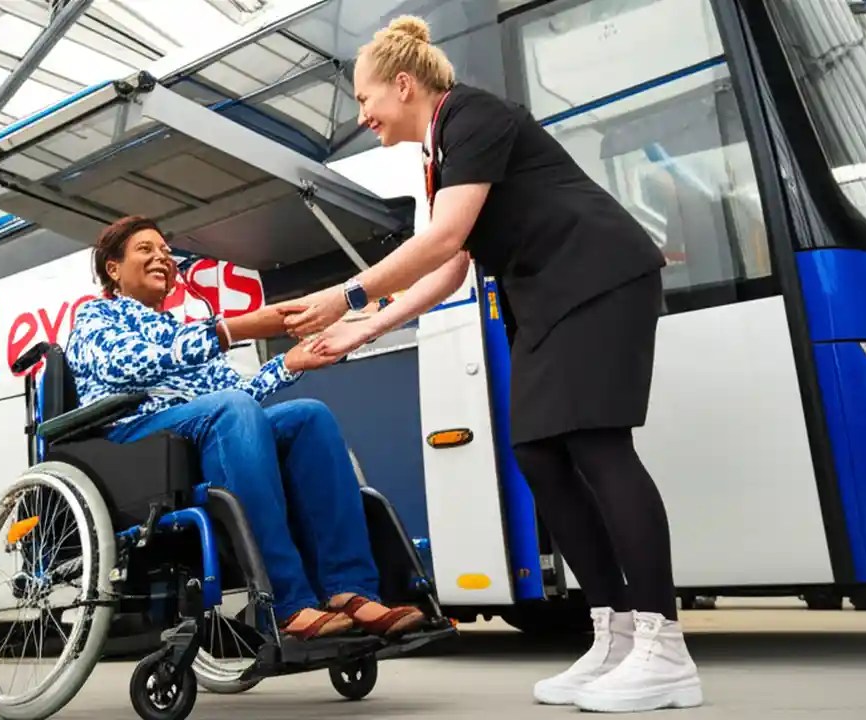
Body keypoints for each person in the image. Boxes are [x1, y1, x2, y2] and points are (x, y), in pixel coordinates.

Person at [283, 16, 702, 713]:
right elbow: (451, 266)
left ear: (406, 84)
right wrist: (365, 329)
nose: (364, 117)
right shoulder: (444, 150)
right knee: (538, 454)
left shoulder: (472, 115)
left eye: (366, 100)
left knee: (599, 448)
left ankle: (664, 646)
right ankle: (615, 633)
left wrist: (344, 294)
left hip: (595, 279)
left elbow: (444, 237)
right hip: (547, 300)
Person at [65, 215, 426, 641]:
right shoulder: (96, 317)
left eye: (165, 251)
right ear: (113, 269)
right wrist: (228, 329)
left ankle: (350, 590)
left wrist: (289, 363)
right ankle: (287, 602)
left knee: (309, 414)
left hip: (204, 428)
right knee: (230, 409)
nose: (161, 257)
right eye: (146, 249)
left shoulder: (178, 329)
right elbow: (127, 364)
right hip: (136, 437)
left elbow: (238, 393)